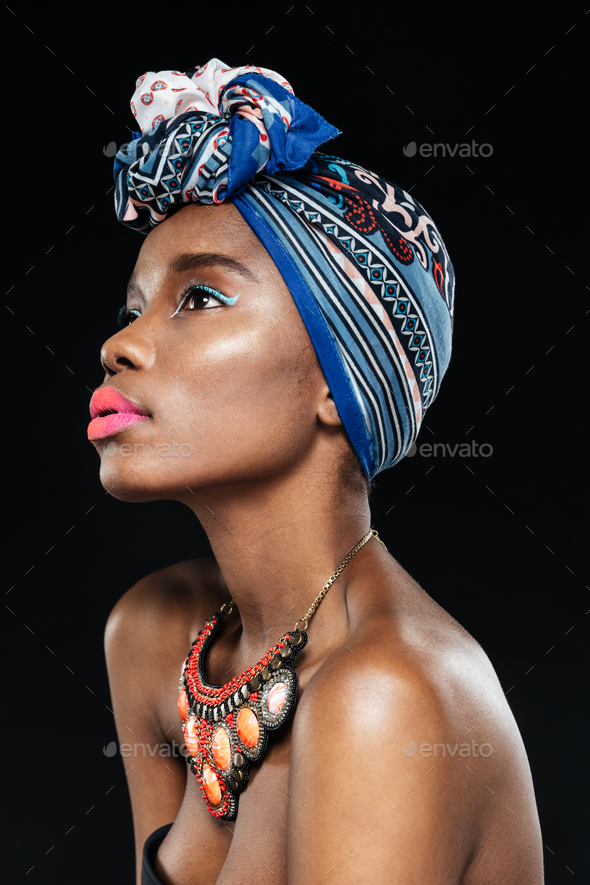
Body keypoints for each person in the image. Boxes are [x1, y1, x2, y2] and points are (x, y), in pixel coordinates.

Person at [92, 59, 544, 884]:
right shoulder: (154, 635)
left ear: (338, 383)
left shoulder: (388, 696)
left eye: (200, 299)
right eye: (133, 307)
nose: (118, 344)